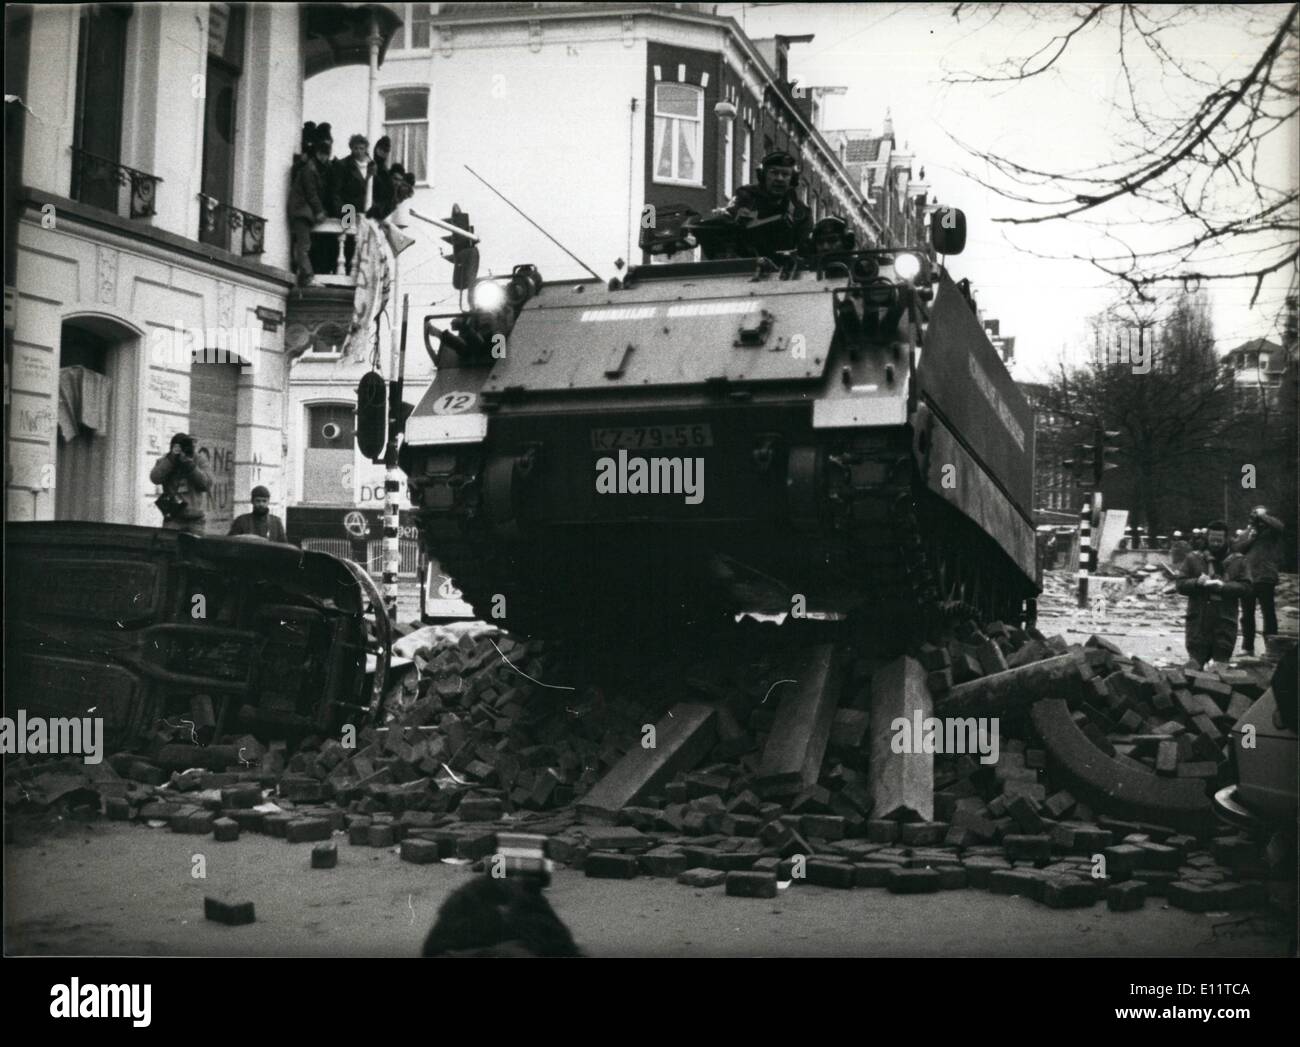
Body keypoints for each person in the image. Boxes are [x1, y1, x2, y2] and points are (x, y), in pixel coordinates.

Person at [1175, 519, 1252, 669]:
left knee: (1221, 668)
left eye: (1219, 540)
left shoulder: (1239, 561)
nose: (1216, 543)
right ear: (1207, 538)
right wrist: (1197, 583)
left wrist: (1224, 587)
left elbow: (1247, 587)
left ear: (1226, 539)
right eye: (1212, 539)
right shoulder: (1193, 558)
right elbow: (1180, 584)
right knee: (1194, 667)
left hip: (1225, 621)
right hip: (1198, 620)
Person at [717, 150, 812, 256]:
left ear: (792, 179)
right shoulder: (745, 198)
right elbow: (722, 230)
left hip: (785, 268)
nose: (779, 179)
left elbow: (804, 249)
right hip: (745, 265)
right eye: (774, 173)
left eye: (785, 174)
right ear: (763, 175)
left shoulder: (800, 212)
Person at [1234, 505, 1285, 655]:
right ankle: (1247, 647)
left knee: (1268, 613)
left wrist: (1262, 516)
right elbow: (1237, 548)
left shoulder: (1272, 532)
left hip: (1266, 577)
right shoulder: (1247, 532)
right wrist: (1251, 539)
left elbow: (1279, 526)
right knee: (1247, 614)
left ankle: (1272, 648)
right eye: (1254, 515)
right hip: (1248, 578)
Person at [288, 126, 332, 287]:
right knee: (304, 245)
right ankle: (307, 276)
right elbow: (311, 193)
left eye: (326, 154)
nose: (324, 158)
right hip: (302, 211)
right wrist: (319, 211)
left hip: (302, 211)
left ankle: (305, 274)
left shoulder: (314, 168)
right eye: (322, 154)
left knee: (303, 245)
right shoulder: (309, 170)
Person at [149, 433, 212, 536]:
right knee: (171, 548)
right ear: (172, 447)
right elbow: (155, 478)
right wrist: (171, 459)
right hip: (173, 517)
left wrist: (190, 465)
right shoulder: (166, 460)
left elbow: (206, 484)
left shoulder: (199, 460)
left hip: (195, 519)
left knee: (195, 550)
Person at [332, 133, 371, 223]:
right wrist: (342, 212)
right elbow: (336, 192)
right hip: (349, 211)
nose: (358, 151)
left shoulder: (371, 165)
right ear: (351, 148)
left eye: (361, 148)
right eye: (355, 148)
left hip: (367, 212)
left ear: (365, 149)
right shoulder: (343, 165)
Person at [366, 136, 396, 221]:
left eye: (387, 151)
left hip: (379, 210)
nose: (384, 153)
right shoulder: (370, 164)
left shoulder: (384, 170)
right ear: (377, 149)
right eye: (382, 150)